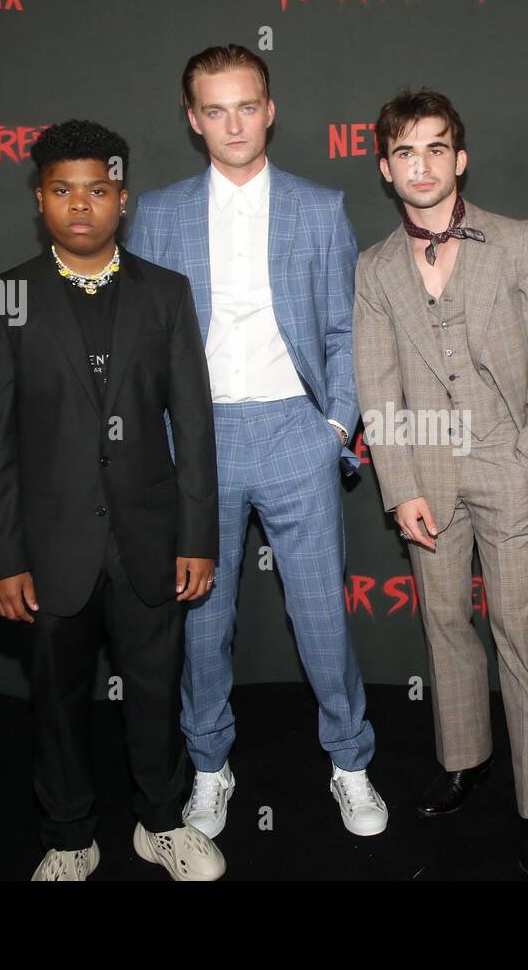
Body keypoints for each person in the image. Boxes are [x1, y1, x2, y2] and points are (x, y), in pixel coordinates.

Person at [127, 45, 387, 839]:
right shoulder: (159, 213)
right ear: (192, 118)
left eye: (247, 106)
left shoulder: (319, 205)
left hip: (293, 429)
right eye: (215, 109)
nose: (232, 123)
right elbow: (141, 344)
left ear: (269, 110)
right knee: (200, 620)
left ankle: (350, 760)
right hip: (195, 438)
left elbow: (347, 331)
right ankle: (209, 766)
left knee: (321, 615)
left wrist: (334, 427)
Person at [0, 119, 225, 881]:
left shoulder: (166, 294)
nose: (81, 205)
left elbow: (195, 425)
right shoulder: (6, 299)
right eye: (62, 190)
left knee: (155, 689)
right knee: (57, 698)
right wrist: (2, 554)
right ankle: (71, 833)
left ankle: (161, 822)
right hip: (49, 546)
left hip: (150, 538)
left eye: (98, 190)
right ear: (39, 200)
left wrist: (198, 536)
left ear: (124, 199)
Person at [353, 90, 528, 878]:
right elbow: (376, 385)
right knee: (445, 624)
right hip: (425, 474)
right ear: (385, 167)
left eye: (436, 149)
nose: (422, 165)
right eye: (405, 152)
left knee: (518, 630)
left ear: (460, 158)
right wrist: (399, 482)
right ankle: (464, 758)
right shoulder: (375, 268)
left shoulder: (516, 242)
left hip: (506, 465)